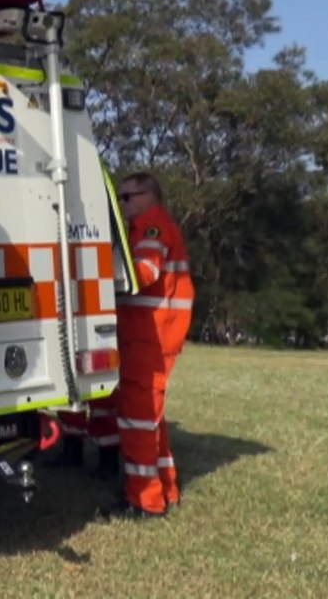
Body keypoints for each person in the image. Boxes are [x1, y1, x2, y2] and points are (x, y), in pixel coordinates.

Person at [103, 171, 195, 520]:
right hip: (147, 335)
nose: (122, 203)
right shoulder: (144, 228)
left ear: (149, 197)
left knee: (138, 418)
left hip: (151, 337)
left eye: (128, 197)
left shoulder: (151, 227)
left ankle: (145, 500)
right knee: (150, 418)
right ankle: (166, 487)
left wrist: (97, 274)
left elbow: (145, 272)